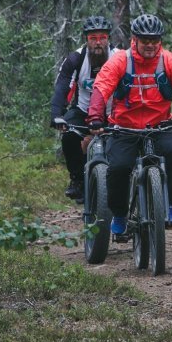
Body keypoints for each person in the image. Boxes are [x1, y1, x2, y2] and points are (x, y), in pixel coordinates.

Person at [87, 14, 172, 235]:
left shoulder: (168, 60)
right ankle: (120, 215)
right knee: (119, 168)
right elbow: (101, 88)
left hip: (160, 126)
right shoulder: (121, 61)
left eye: (154, 41)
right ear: (135, 40)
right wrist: (95, 116)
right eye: (145, 41)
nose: (150, 45)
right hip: (125, 126)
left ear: (160, 40)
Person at [49, 16, 117, 203]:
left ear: (108, 38)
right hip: (83, 110)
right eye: (93, 38)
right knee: (69, 136)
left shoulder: (119, 57)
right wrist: (56, 114)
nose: (98, 42)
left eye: (102, 37)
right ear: (86, 39)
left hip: (112, 113)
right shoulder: (76, 59)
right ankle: (78, 179)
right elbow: (62, 87)